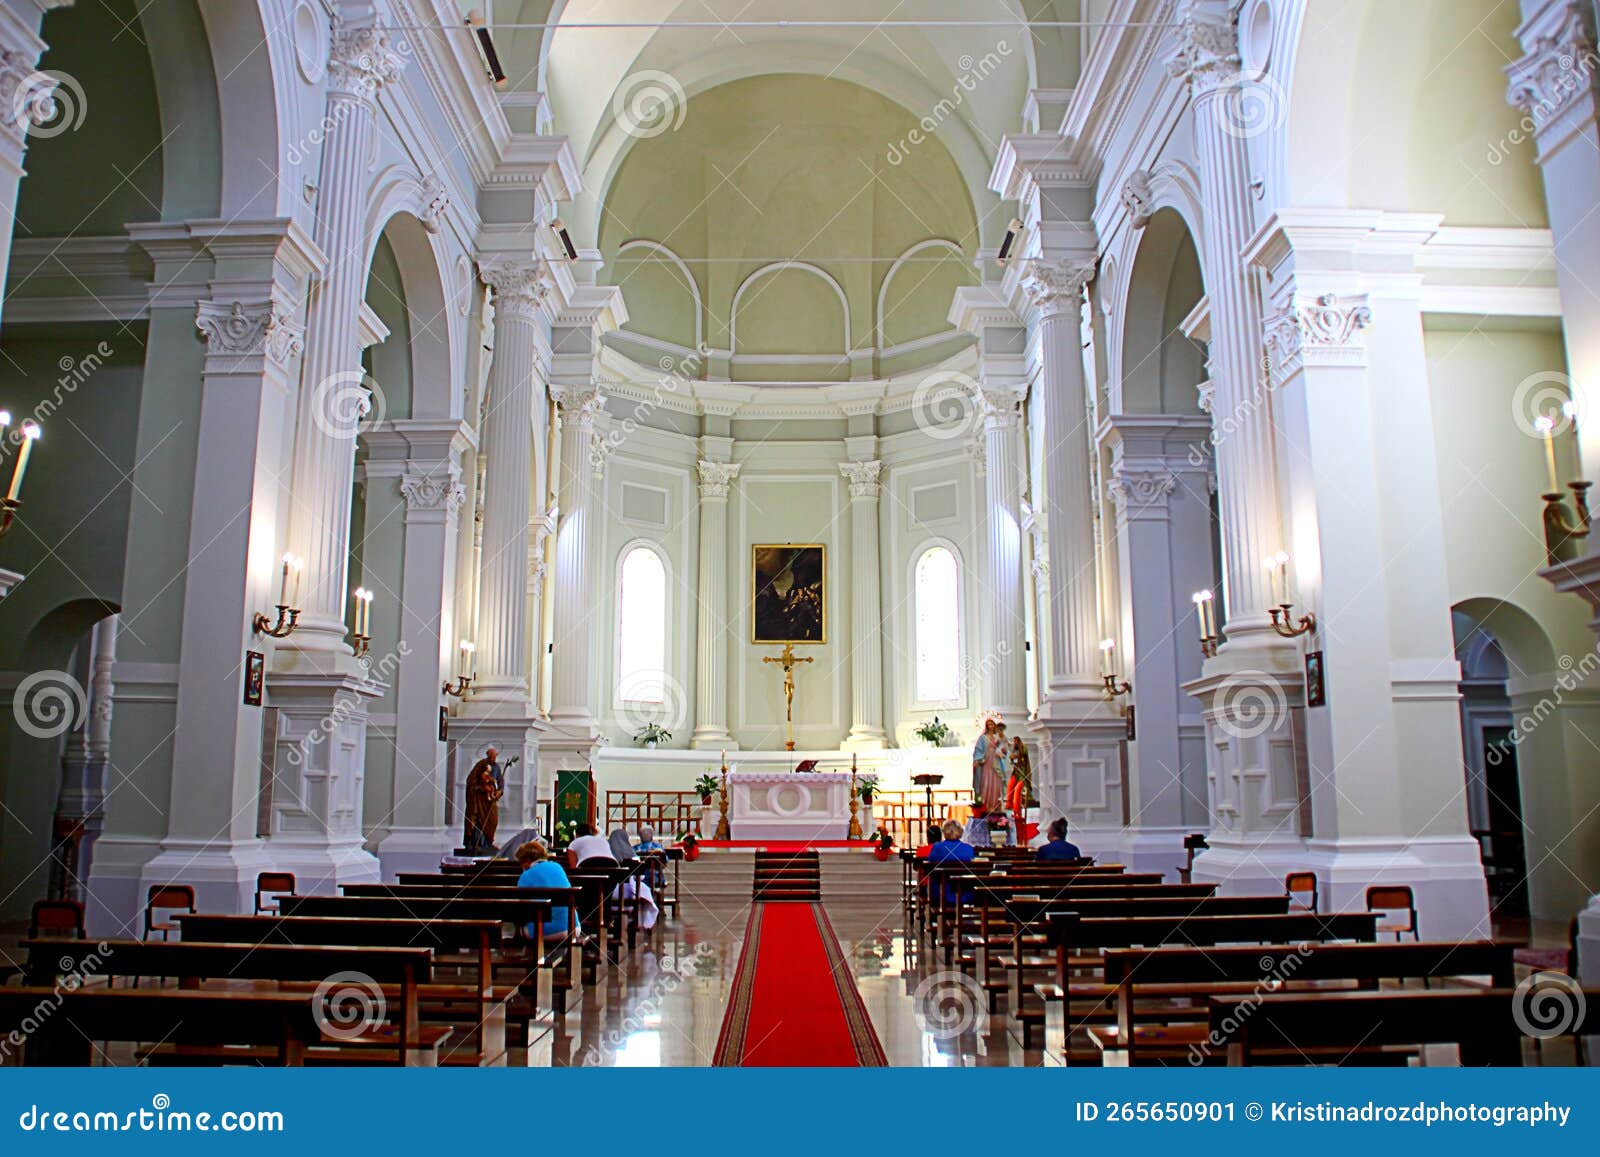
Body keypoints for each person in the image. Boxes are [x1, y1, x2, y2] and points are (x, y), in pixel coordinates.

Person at [515, 840, 578, 940]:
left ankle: (532, 955)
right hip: (573, 926)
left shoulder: (526, 876)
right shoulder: (558, 867)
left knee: (522, 927)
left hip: (545, 930)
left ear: (526, 860)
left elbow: (522, 907)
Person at [463, 747, 503, 853]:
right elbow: (471, 781)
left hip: (491, 799)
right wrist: (480, 788)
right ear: (488, 756)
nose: (493, 758)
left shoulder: (496, 767)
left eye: (495, 756)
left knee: (493, 820)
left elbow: (500, 782)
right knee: (477, 820)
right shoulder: (480, 765)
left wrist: (499, 791)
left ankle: (488, 842)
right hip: (479, 800)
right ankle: (476, 843)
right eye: (491, 756)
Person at [927, 819, 976, 903]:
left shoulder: (937, 847)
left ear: (944, 832)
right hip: (964, 892)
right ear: (960, 832)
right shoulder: (968, 849)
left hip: (940, 892)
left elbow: (930, 865)